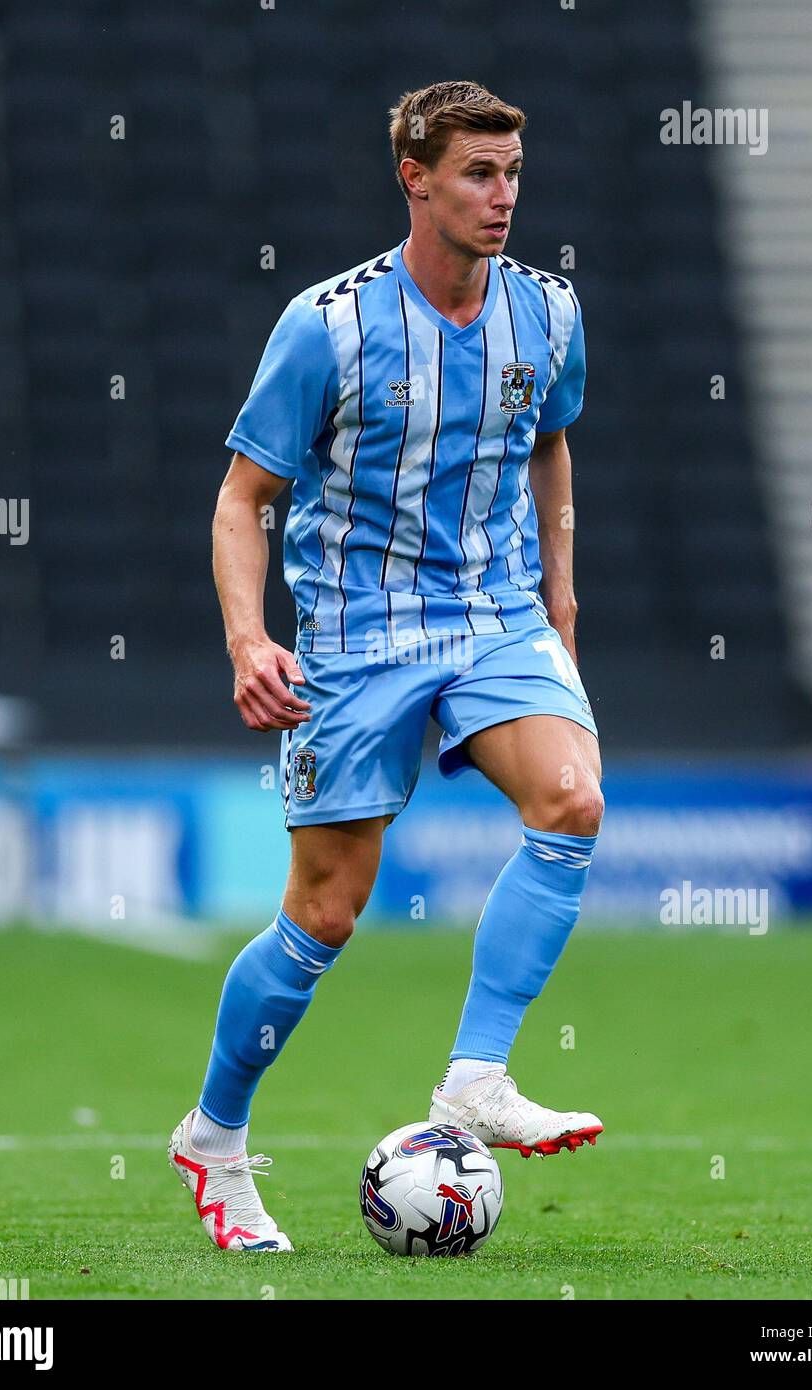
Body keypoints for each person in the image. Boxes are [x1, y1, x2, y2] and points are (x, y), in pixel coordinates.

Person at [169, 80, 605, 1252]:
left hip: (492, 613)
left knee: (570, 799)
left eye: (512, 172)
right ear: (415, 179)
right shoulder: (328, 325)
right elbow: (240, 499)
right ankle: (214, 1133)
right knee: (324, 915)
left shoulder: (549, 314)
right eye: (476, 172)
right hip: (357, 637)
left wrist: (559, 592)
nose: (501, 195)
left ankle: (474, 1077)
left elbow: (548, 438)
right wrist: (249, 638)